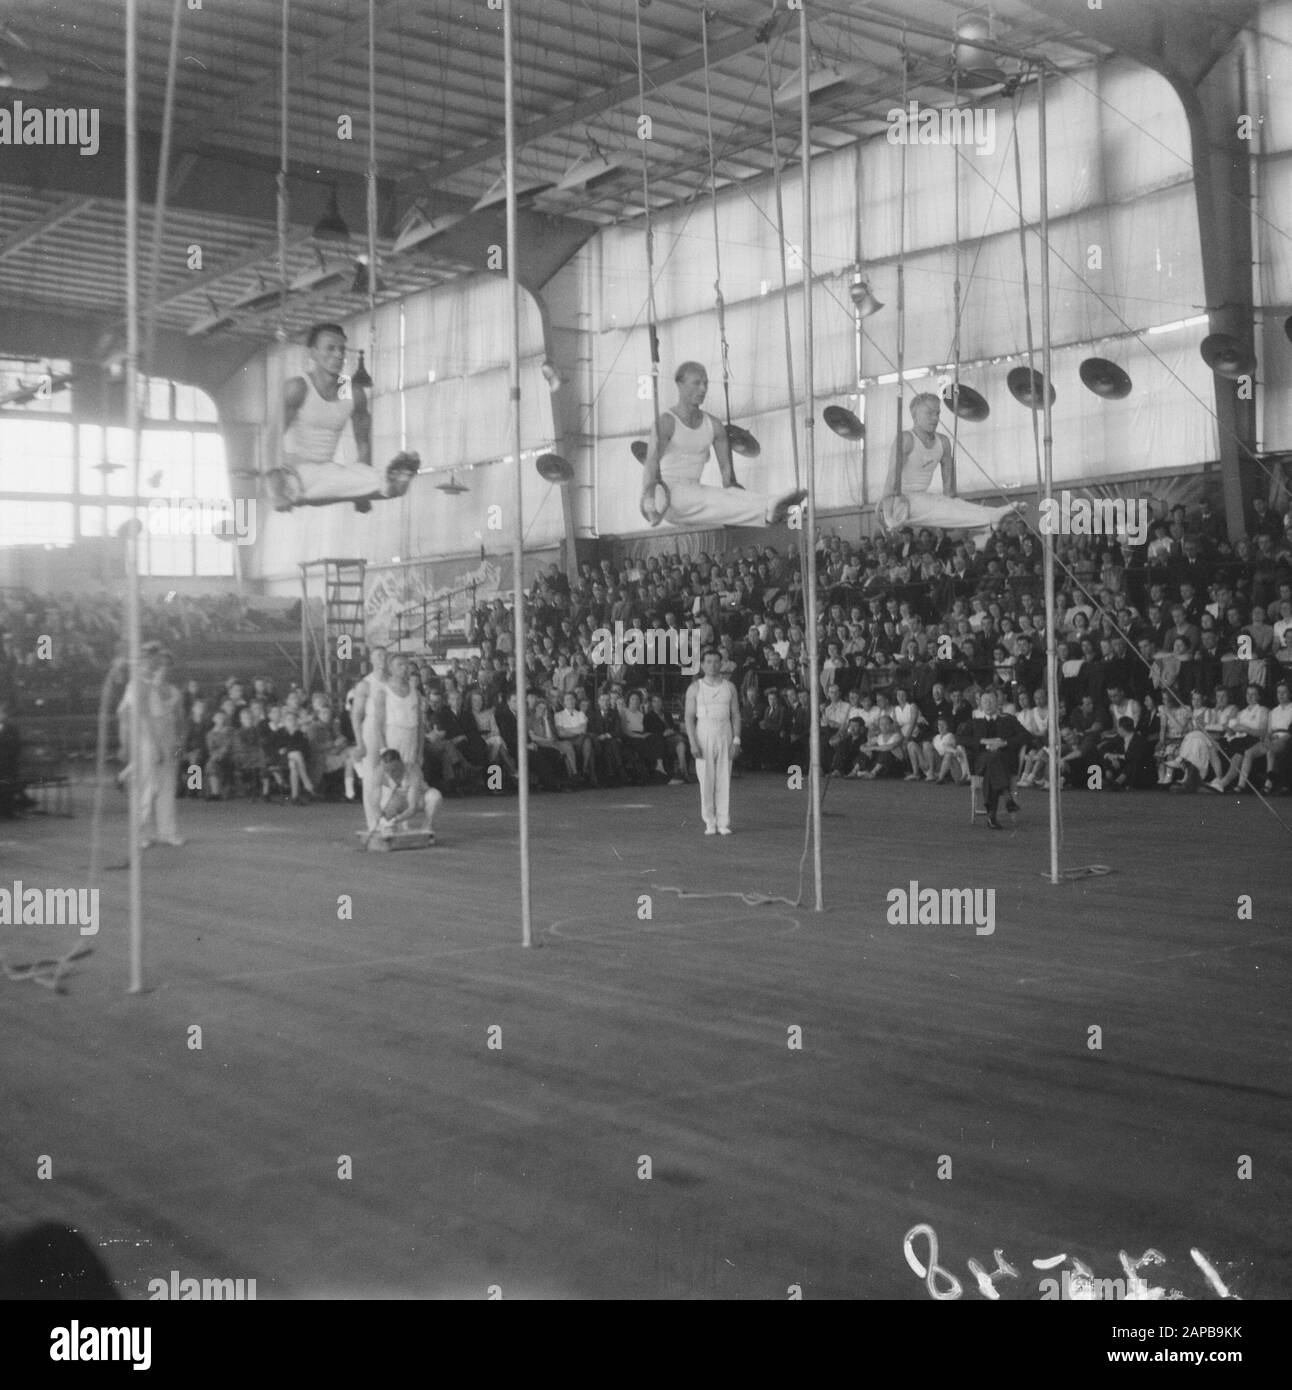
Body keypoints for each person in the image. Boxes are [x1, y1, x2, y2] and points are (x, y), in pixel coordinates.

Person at [268, 322, 418, 513]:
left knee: (378, 482)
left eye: (342, 349)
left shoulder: (352, 392)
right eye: (330, 349)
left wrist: (363, 488)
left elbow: (363, 442)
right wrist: (276, 489)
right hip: (296, 471)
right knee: (296, 486)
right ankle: (289, 489)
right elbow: (271, 438)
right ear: (313, 353)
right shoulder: (299, 387)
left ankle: (397, 480)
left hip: (329, 472)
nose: (338, 355)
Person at [639, 362, 805, 528]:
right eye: (697, 383)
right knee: (712, 497)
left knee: (725, 495)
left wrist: (740, 496)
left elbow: (728, 480)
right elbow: (651, 462)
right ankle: (768, 508)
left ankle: (774, 509)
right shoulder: (667, 422)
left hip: (695, 493)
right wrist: (649, 502)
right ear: (680, 385)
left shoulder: (714, 425)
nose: (703, 389)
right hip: (669, 497)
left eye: (706, 383)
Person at [879, 393, 1017, 549]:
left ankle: (993, 516)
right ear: (915, 415)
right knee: (938, 507)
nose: (935, 418)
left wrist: (954, 504)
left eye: (937, 413)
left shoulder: (943, 442)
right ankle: (990, 519)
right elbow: (891, 480)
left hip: (921, 497)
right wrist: (888, 517)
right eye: (929, 413)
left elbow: (949, 492)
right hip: (899, 502)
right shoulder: (906, 439)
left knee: (952, 504)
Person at [116, 644, 185, 847]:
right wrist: (128, 743)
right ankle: (140, 834)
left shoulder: (170, 690)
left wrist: (177, 747)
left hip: (167, 737)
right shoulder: (138, 685)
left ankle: (167, 831)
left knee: (167, 787)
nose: (160, 667)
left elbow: (179, 722)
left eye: (165, 665)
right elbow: (130, 715)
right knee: (145, 788)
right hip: (148, 739)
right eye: (157, 663)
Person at [685, 647, 741, 835]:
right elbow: (688, 717)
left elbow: (736, 714)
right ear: (702, 665)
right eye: (708, 662)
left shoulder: (729, 687)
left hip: (724, 731)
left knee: (724, 778)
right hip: (704, 732)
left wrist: (737, 740)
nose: (713, 665)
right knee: (706, 780)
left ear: (721, 664)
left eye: (716, 661)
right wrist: (693, 742)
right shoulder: (695, 688)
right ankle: (709, 821)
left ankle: (723, 821)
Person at [957, 687, 1025, 829]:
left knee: (993, 763)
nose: (988, 704)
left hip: (1004, 761)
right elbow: (960, 739)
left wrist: (1005, 743)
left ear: (998, 703)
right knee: (992, 758)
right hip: (981, 762)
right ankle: (1007, 796)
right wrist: (983, 741)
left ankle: (992, 817)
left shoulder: (1009, 720)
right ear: (980, 704)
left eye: (991, 701)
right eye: (984, 701)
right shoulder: (974, 722)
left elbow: (1025, 736)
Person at [373, 748, 442, 844]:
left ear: (401, 763)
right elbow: (374, 802)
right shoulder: (379, 772)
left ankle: (427, 830)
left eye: (394, 770)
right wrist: (381, 818)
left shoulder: (413, 771)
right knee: (384, 809)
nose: (390, 774)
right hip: (398, 799)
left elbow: (412, 808)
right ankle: (389, 833)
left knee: (435, 796)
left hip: (420, 798)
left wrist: (396, 819)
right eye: (387, 770)